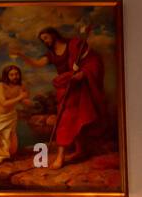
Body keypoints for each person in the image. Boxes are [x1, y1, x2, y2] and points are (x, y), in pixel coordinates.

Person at [10, 25, 106, 170]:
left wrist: (83, 73)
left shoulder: (74, 45)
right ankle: (80, 150)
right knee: (69, 118)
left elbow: (94, 61)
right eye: (43, 40)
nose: (45, 41)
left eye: (46, 38)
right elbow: (37, 64)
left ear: (53, 35)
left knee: (66, 119)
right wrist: (21, 55)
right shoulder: (51, 55)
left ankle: (61, 156)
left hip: (79, 87)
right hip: (65, 87)